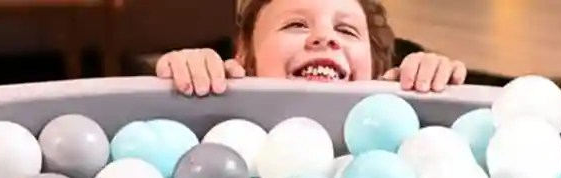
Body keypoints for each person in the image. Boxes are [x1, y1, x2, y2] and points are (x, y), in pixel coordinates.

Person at [156, 0, 467, 96]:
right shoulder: (227, 125)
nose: (324, 38)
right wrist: (191, 72)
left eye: (345, 30)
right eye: (296, 25)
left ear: (377, 72)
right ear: (244, 60)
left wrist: (433, 82)